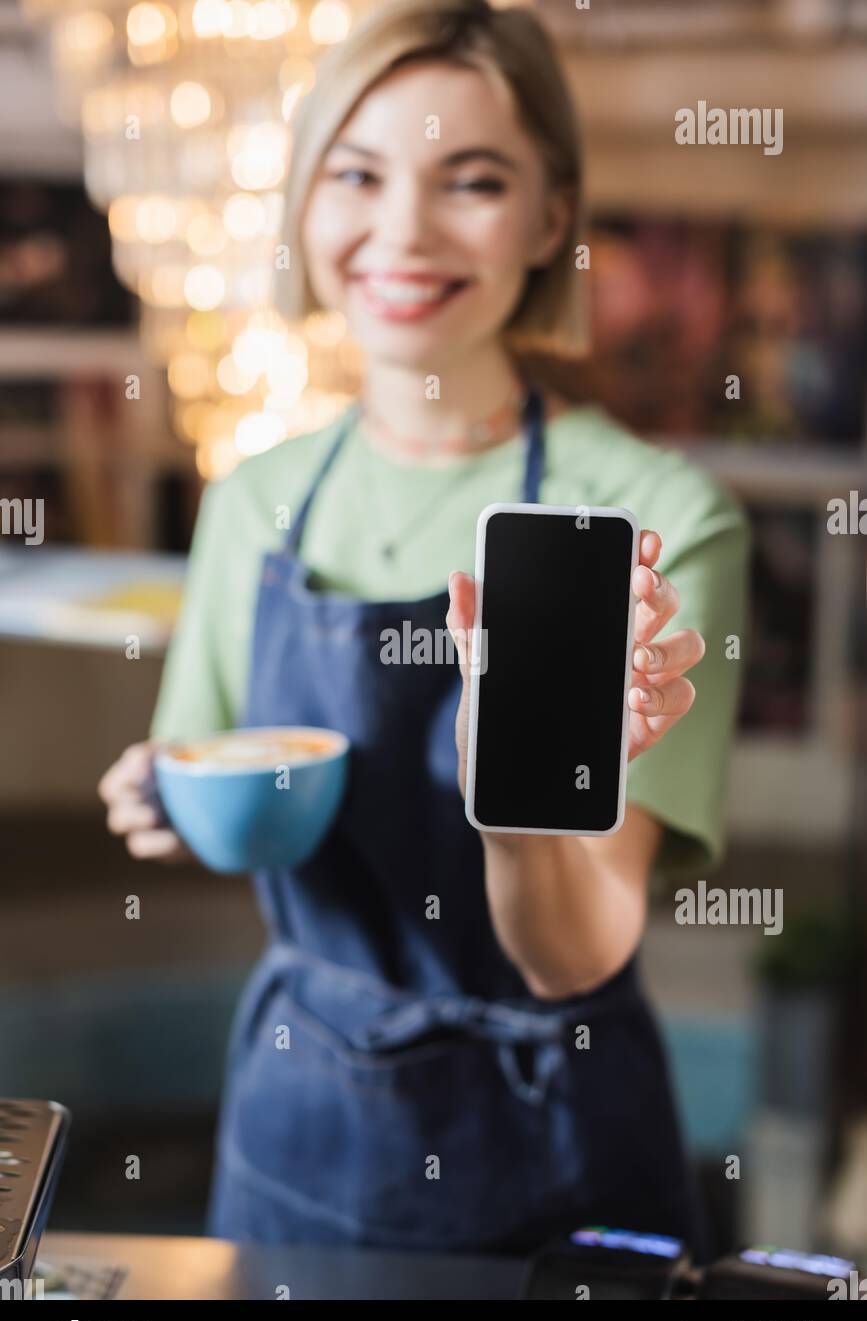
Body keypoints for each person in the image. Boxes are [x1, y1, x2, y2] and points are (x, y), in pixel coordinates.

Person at [99, 0, 748, 1256]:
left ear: (551, 215)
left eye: (474, 180)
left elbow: (578, 952)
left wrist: (515, 820)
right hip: (300, 1105)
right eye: (358, 172)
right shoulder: (255, 499)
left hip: (556, 1121)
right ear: (304, 198)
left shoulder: (656, 521)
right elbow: (208, 779)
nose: (403, 230)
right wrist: (153, 799)